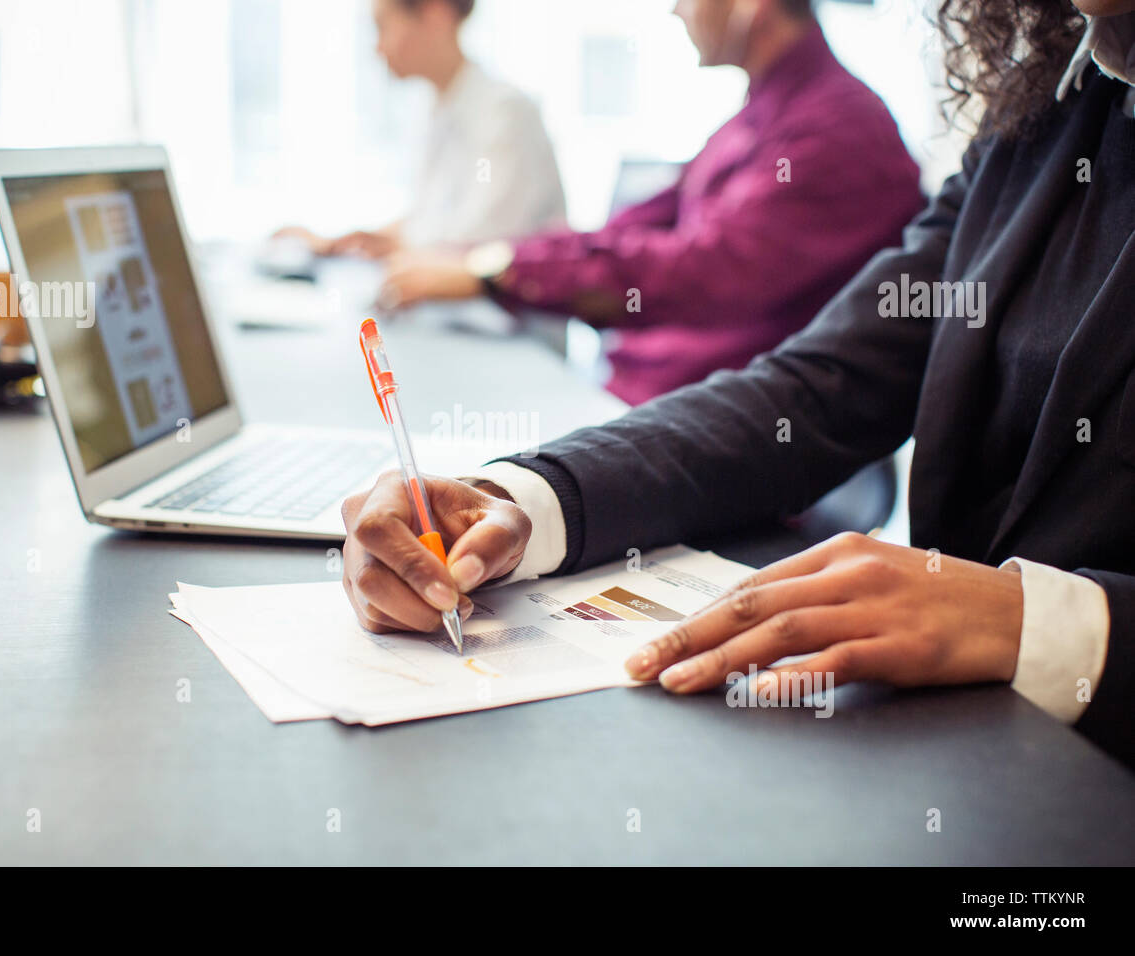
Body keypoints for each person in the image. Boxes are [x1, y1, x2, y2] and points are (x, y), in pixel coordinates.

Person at [339, 0, 1135, 769]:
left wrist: (1045, 624)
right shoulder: (1042, 110)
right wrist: (521, 497)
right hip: (963, 758)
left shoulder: (836, 127)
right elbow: (817, 384)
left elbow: (705, 267)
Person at [378, 0, 925, 404]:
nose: (673, 9)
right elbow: (631, 230)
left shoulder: (836, 131)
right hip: (647, 405)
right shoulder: (764, 115)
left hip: (718, 433)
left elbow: (700, 268)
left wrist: (495, 272)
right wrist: (491, 262)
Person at [276, 0, 566, 260]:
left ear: (435, 12)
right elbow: (434, 219)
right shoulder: (440, 107)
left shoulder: (503, 114)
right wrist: (345, 244)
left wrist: (387, 248)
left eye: (382, 26)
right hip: (450, 310)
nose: (378, 47)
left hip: (497, 317)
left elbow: (481, 237)